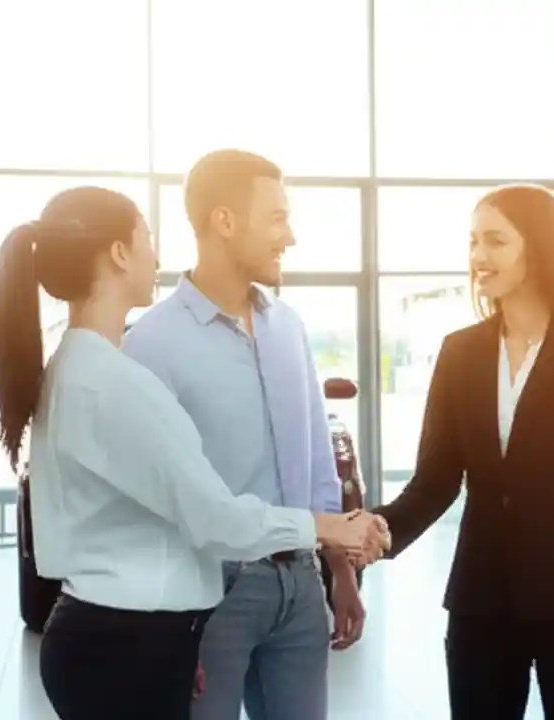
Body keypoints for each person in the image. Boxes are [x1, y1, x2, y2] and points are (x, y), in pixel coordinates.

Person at [0, 186, 388, 720]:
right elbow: (212, 517)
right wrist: (330, 527)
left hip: (134, 638)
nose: (156, 253)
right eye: (146, 238)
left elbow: (152, 519)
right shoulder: (112, 382)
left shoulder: (79, 368)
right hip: (126, 648)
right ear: (119, 253)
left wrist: (183, 638)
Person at [370, 183, 554, 720]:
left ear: (539, 247)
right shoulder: (460, 352)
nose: (478, 257)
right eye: (474, 241)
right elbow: (436, 479)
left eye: (495, 241)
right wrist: (379, 531)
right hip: (481, 602)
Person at [121, 149, 370, 720]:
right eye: (277, 218)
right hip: (209, 596)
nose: (292, 236)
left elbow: (315, 465)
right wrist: (163, 629)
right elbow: (145, 501)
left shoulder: (289, 328)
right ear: (224, 222)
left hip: (300, 587)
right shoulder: (151, 344)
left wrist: (340, 573)